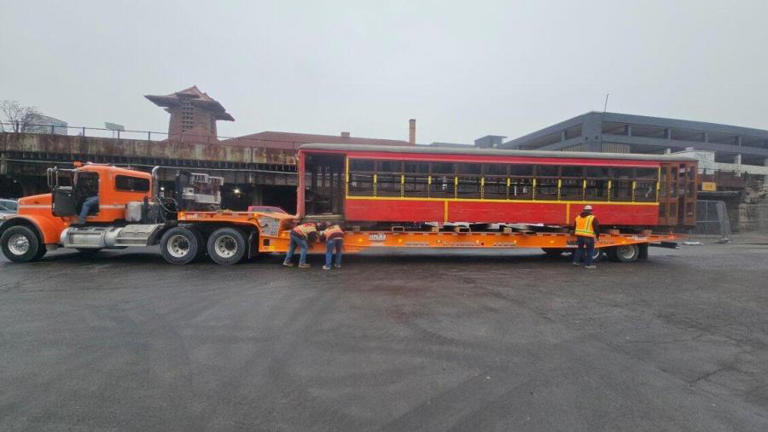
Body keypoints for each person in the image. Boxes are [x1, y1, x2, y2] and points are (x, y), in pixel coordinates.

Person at [572, 204, 600, 269]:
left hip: (579, 236)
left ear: (583, 210)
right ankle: (588, 265)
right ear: (591, 211)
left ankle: (575, 262)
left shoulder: (578, 217)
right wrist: (597, 236)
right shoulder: (592, 218)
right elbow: (596, 228)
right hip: (588, 237)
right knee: (590, 250)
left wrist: (574, 234)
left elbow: (574, 227)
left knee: (579, 249)